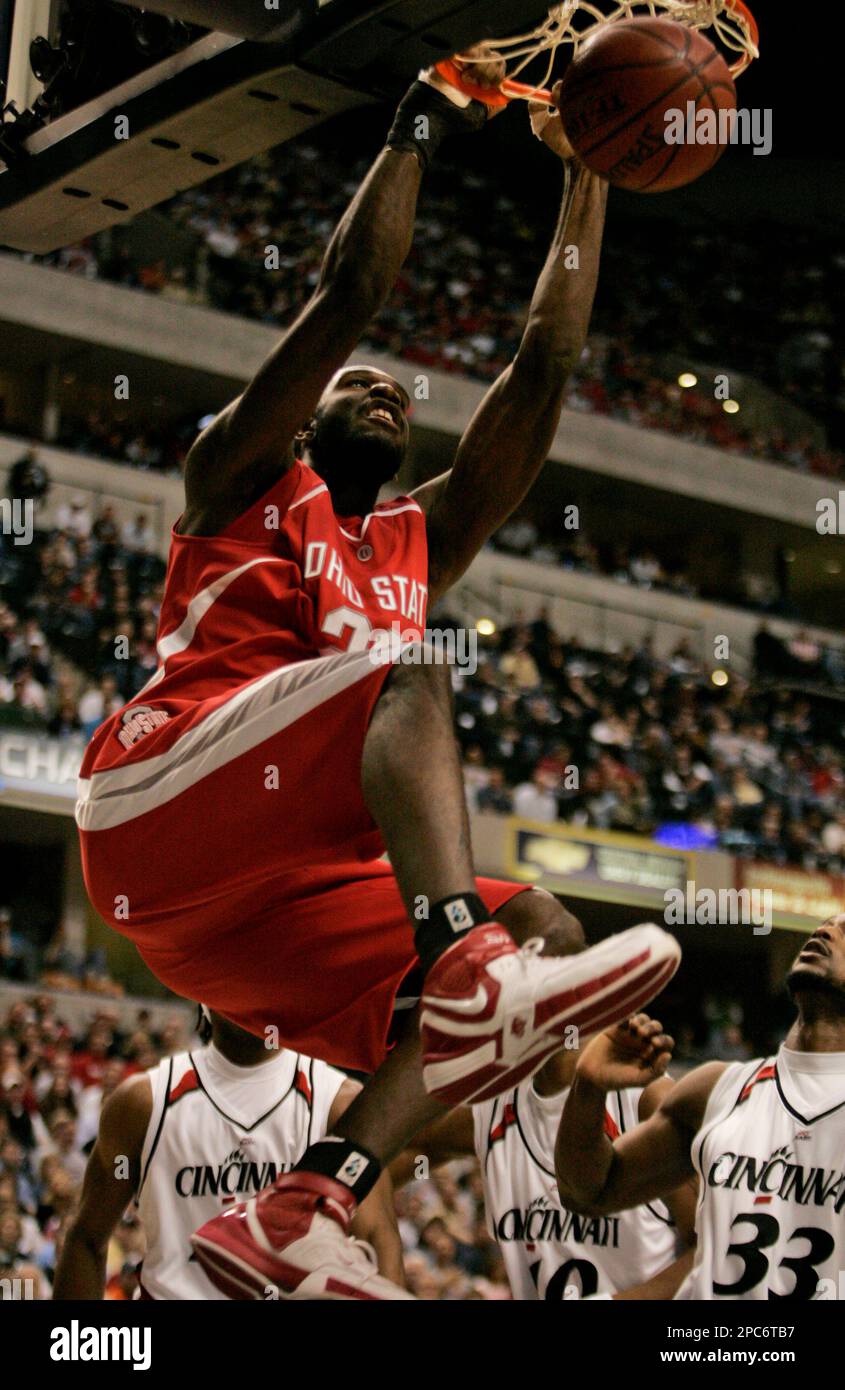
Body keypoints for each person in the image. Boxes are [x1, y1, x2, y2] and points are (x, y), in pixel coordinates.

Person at [74, 58, 678, 1301]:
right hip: (154, 810)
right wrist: (424, 114)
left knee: (545, 928)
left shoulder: (417, 541)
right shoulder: (235, 477)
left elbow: (542, 364)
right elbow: (355, 290)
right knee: (403, 673)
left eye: (403, 389)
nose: (389, 386)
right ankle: (461, 963)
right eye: (360, 386)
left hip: (252, 915)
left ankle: (306, 1204)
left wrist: (590, 174)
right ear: (297, 420)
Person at [555, 915, 845, 1300]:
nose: (823, 932)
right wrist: (588, 1087)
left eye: (844, 932)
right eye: (824, 925)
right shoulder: (716, 1088)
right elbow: (587, 1194)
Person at [53, 1009, 403, 1299]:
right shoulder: (143, 1102)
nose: (244, 987)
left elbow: (378, 1242)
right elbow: (85, 1237)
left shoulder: (338, 1104)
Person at [392, 1034, 695, 1300]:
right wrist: (379, 1253)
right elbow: (386, 1152)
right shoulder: (491, 1108)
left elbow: (718, 1243)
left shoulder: (647, 1099)